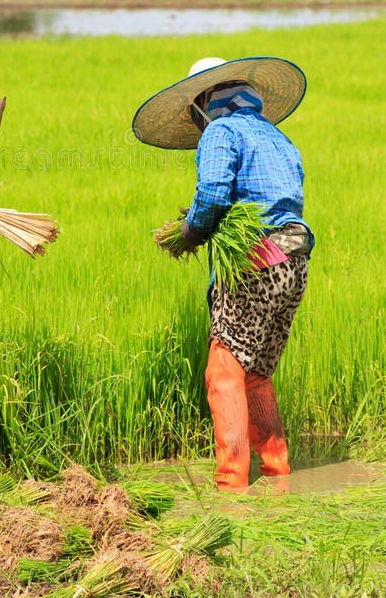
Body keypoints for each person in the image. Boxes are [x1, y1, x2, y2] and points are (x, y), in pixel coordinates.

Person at [132, 55, 314, 491]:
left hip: (256, 261)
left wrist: (190, 231)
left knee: (224, 371)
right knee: (256, 373)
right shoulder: (278, 137)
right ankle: (277, 470)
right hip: (294, 260)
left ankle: (230, 485)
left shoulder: (221, 130)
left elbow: (213, 194)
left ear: (205, 102)